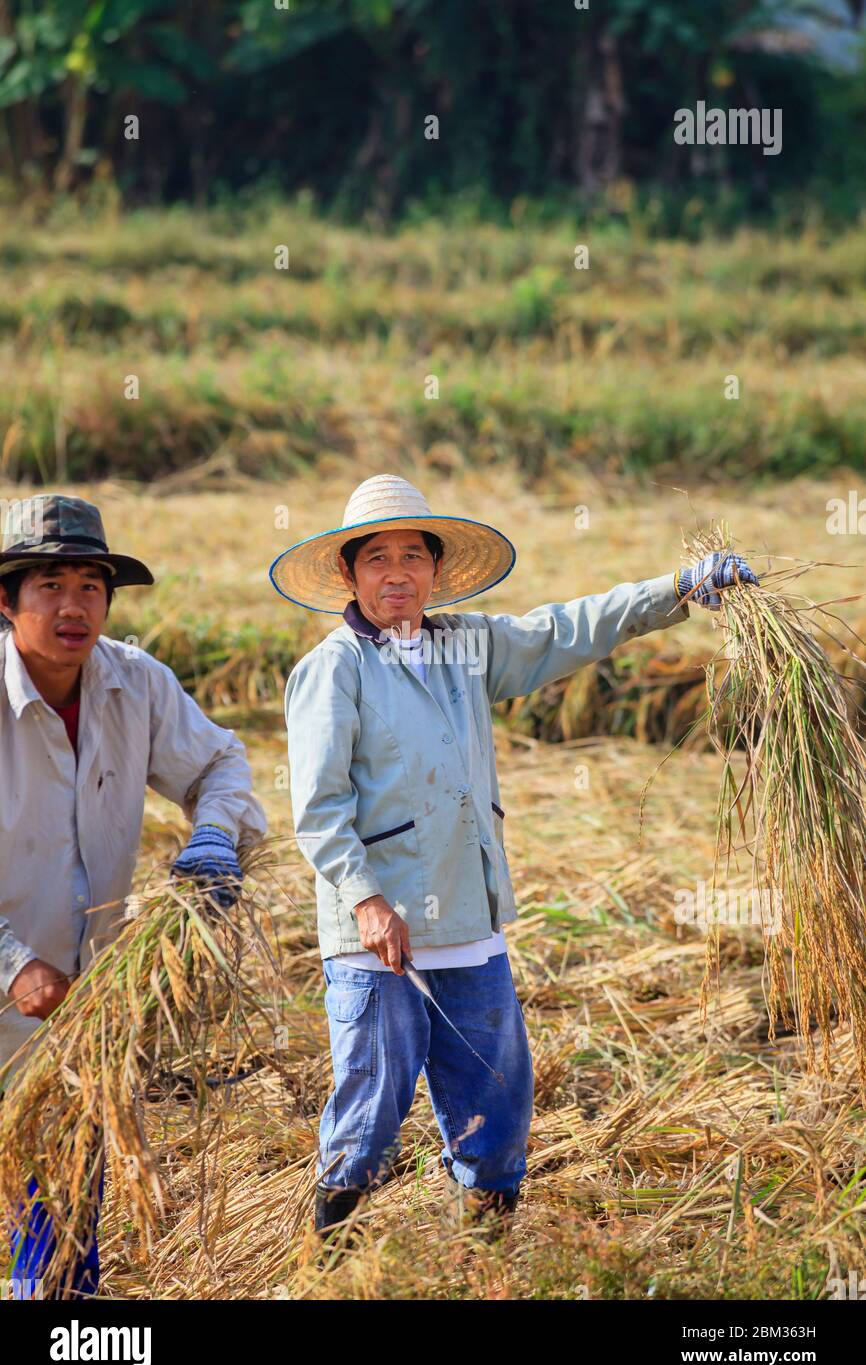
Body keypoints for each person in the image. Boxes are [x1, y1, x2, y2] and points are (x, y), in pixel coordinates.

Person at [271, 473, 758, 1240]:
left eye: (412, 556)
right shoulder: (335, 669)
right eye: (376, 559)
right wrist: (366, 900)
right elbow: (319, 808)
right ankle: (327, 1259)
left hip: (468, 917)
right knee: (371, 1109)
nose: (396, 573)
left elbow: (568, 629)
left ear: (435, 570)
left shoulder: (467, 647)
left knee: (494, 1103)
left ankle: (483, 1256)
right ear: (349, 573)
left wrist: (678, 589)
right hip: (380, 933)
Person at [0, 494, 267, 1297]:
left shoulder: (134, 684)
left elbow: (220, 764)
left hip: (83, 1003)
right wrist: (13, 964)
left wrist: (216, 837)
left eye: (91, 585)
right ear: (5, 601)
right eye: (49, 585)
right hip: (16, 980)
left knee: (67, 1185)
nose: (73, 606)